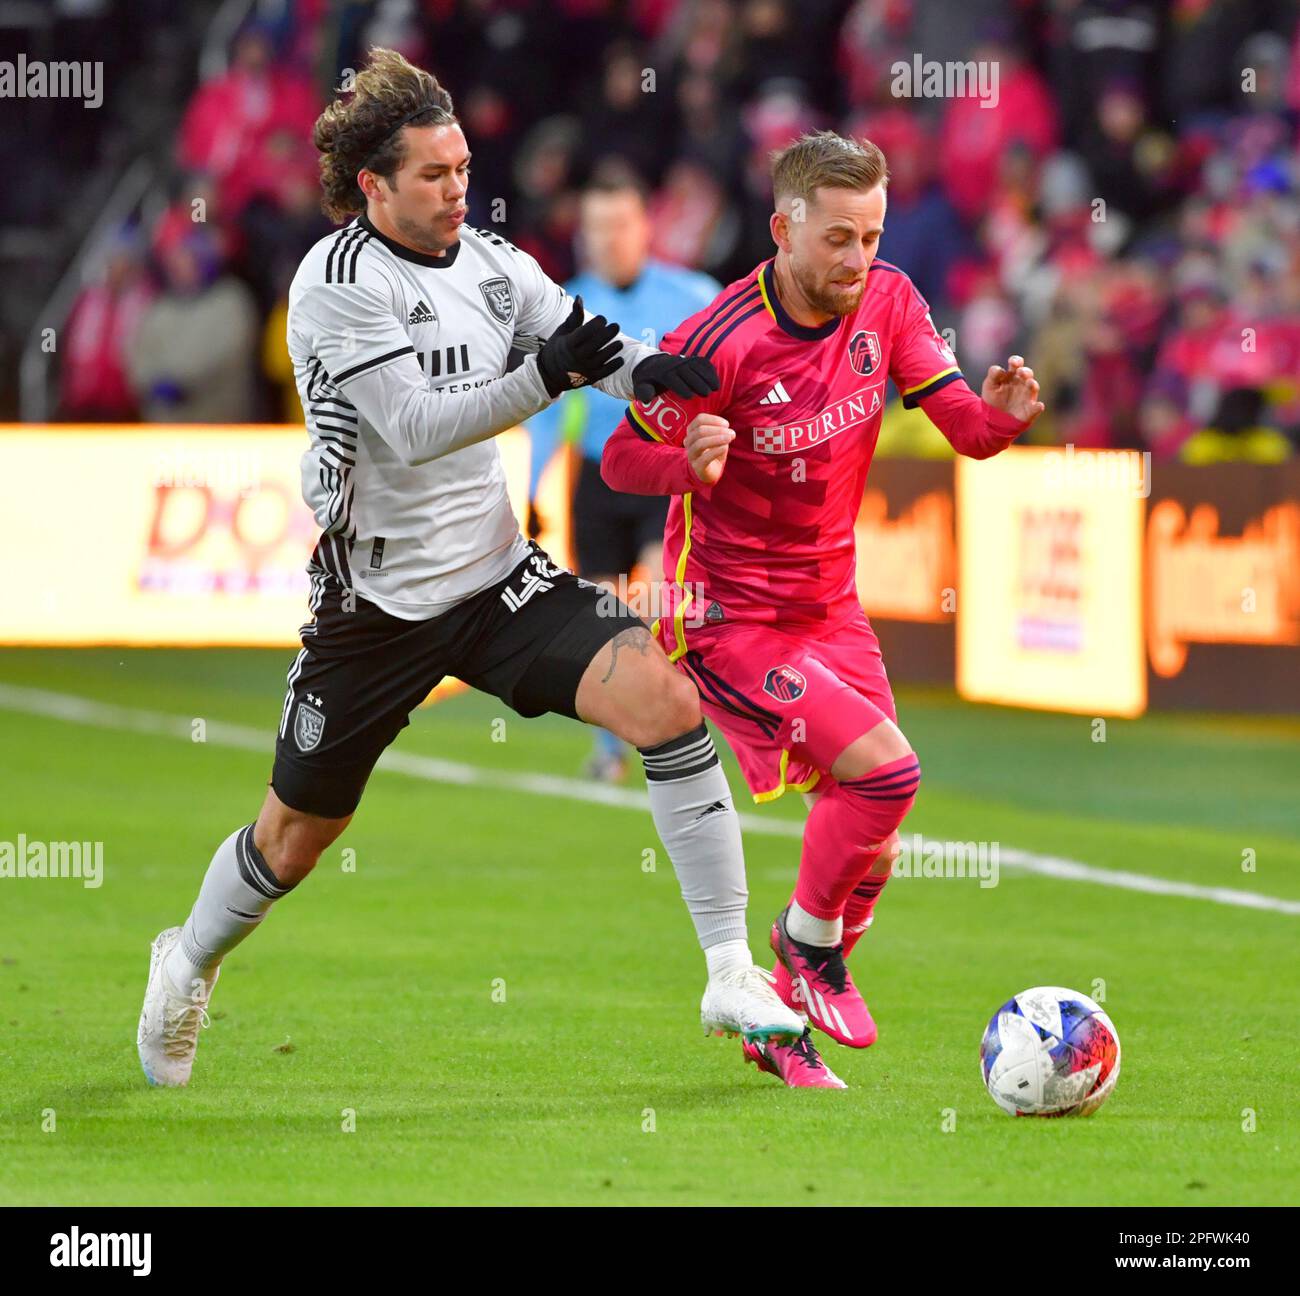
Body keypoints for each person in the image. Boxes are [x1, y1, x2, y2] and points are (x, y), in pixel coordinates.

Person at [136, 48, 802, 1089]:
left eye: (462, 167)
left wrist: (652, 377)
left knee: (667, 701)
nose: (459, 190)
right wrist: (548, 378)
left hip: (497, 582)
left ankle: (727, 970)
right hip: (380, 603)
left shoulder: (494, 263)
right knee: (295, 839)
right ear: (373, 186)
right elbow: (411, 429)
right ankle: (186, 961)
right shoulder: (335, 285)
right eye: (434, 175)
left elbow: (582, 336)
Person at [601, 130, 1044, 1087]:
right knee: (887, 777)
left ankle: (787, 983)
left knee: (877, 826)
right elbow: (619, 457)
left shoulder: (889, 299)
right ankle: (807, 951)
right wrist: (690, 461)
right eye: (839, 239)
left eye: (872, 236)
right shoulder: (720, 340)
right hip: (721, 614)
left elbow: (963, 425)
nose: (859, 259)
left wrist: (1001, 416)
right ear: (784, 230)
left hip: (830, 604)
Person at [526, 171, 719, 781]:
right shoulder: (563, 306)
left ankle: (672, 733)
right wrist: (531, 489)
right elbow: (546, 412)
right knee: (607, 617)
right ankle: (614, 747)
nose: (607, 239)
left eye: (618, 225)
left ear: (645, 226)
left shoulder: (694, 295)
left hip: (664, 474)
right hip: (596, 476)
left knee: (659, 598)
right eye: (595, 228)